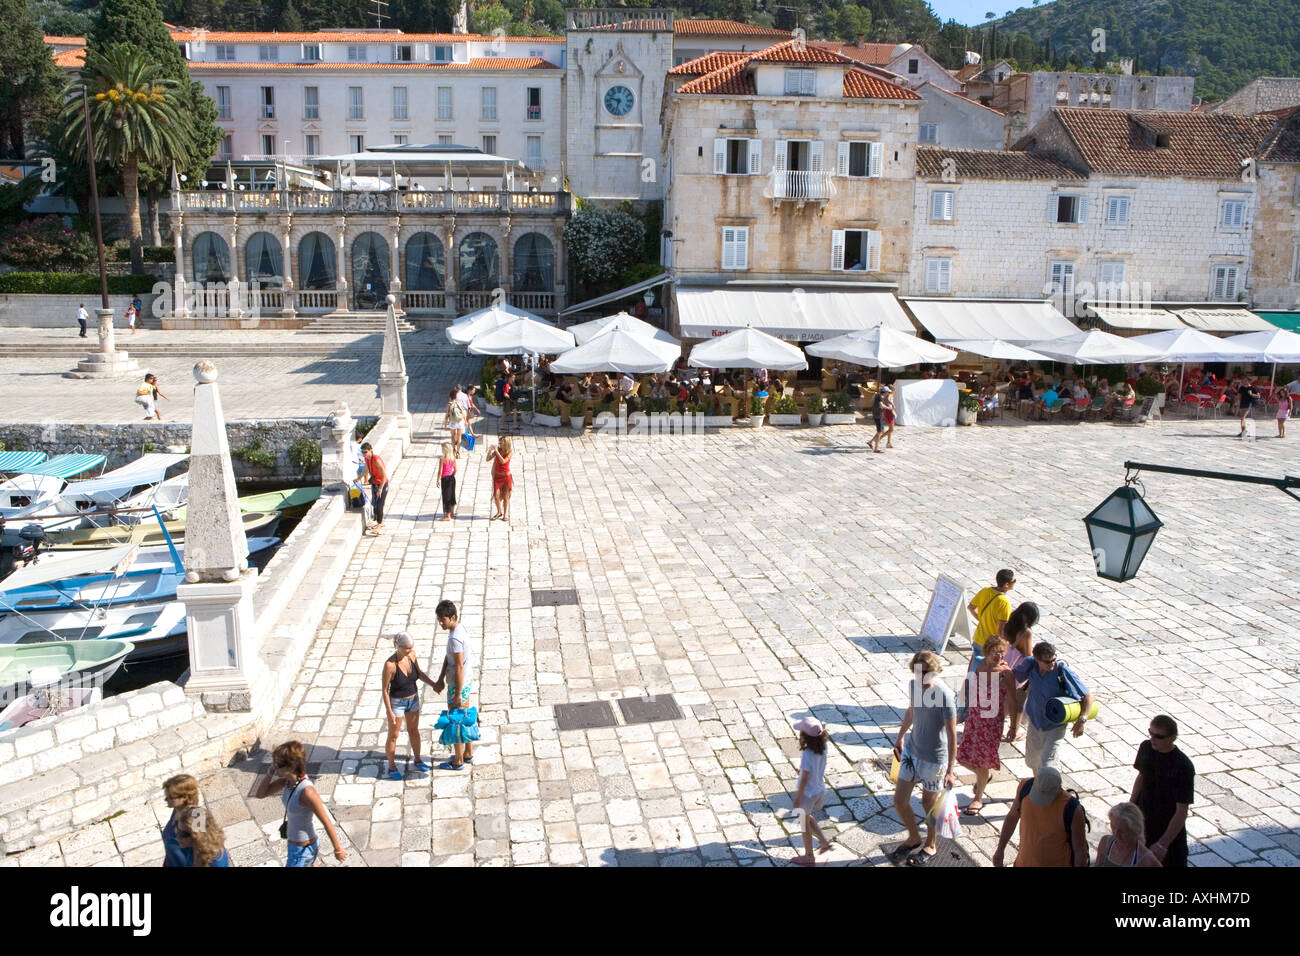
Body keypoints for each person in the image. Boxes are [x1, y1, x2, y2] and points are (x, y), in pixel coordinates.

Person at [890, 650, 958, 866]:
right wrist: (900, 736)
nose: (922, 676)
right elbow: (912, 710)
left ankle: (931, 843)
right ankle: (913, 837)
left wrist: (950, 769)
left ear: (934, 671)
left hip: (934, 758)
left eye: (926, 672)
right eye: (918, 671)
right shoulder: (913, 685)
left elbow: (952, 733)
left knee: (928, 804)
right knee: (900, 801)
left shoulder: (944, 695)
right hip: (912, 751)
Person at [956, 635, 1018, 815]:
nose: (998, 656)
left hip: (991, 723)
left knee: (982, 761)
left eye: (1001, 652)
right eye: (994, 653)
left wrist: (1013, 726)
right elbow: (971, 684)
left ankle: (978, 798)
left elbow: (1013, 701)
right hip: (975, 718)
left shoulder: (1006, 674)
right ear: (987, 652)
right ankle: (985, 775)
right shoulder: (981, 664)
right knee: (963, 756)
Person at [1012, 641, 1093, 772]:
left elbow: (1088, 696)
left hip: (1055, 725)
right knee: (1032, 761)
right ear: (1037, 659)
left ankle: (1053, 789)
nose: (1052, 664)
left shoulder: (1062, 671)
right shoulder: (1031, 664)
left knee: (1048, 765)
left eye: (1054, 659)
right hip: (1035, 721)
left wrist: (1082, 720)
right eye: (1048, 662)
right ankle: (1039, 785)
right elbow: (1015, 675)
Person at [265, 740, 347, 867]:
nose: (275, 767)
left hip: (303, 850)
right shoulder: (287, 782)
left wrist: (338, 849)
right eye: (274, 763)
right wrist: (270, 772)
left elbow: (326, 820)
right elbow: (260, 794)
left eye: (278, 764)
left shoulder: (307, 792)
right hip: (295, 846)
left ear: (291, 766)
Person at [1131, 714, 1194, 867]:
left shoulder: (1182, 766)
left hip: (1166, 826)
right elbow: (1141, 776)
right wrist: (1131, 806)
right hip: (1143, 821)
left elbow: (1181, 810)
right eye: (1150, 733)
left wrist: (1163, 844)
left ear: (1172, 738)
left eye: (1158, 736)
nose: (1152, 738)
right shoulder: (1146, 747)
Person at [992, 767, 1088, 867]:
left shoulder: (1072, 809)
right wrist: (1000, 849)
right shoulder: (1025, 786)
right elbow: (1012, 817)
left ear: (1058, 789)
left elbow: (1080, 850)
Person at [381, 632, 439, 780]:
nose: (409, 651)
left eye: (411, 648)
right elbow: (385, 690)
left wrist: (433, 684)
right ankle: (392, 766)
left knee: (414, 731)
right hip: (397, 703)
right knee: (393, 735)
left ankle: (418, 759)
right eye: (406, 648)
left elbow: (419, 674)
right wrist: (389, 711)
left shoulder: (412, 656)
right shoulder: (390, 665)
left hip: (413, 699)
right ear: (398, 647)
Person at [433, 600, 479, 770]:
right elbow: (450, 658)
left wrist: (457, 693)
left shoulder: (454, 638)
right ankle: (468, 753)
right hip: (465, 681)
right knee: (465, 715)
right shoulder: (459, 629)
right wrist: (440, 676)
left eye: (442, 619)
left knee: (456, 720)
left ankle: (458, 760)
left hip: (458, 684)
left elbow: (458, 665)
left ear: (452, 617)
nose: (440, 623)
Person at [788, 715, 833, 866]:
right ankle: (823, 841)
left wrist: (798, 797)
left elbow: (805, 777)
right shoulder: (824, 747)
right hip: (820, 790)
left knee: (803, 823)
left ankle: (809, 857)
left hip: (807, 794)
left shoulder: (807, 754)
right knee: (807, 817)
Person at [1000, 601, 1039, 740]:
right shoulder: (1026, 632)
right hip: (1018, 668)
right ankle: (1014, 731)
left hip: (1007, 660)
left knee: (1004, 694)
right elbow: (1028, 656)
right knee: (1018, 702)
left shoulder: (1011, 621)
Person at [967, 568, 1015, 670]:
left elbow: (971, 607)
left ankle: (969, 685)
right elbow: (1001, 630)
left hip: (978, 637)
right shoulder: (1004, 603)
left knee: (973, 668)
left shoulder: (985, 591)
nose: (1014, 583)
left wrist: (982, 620)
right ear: (1006, 585)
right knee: (987, 673)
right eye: (1013, 581)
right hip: (990, 645)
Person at [1094, 802, 1162, 867]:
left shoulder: (1144, 857)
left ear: (1134, 830)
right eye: (1113, 827)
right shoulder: (1106, 842)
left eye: (1122, 831)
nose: (1116, 834)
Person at [161, 773, 202, 866]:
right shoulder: (176, 811)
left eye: (171, 797)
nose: (166, 800)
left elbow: (203, 850)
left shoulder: (197, 817)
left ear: (185, 797)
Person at [358, 441, 388, 535]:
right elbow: (366, 470)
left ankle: (379, 526)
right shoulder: (367, 459)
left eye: (365, 452)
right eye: (362, 452)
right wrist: (358, 479)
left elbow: (384, 475)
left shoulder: (376, 460)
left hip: (382, 484)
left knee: (380, 505)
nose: (364, 454)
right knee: (374, 504)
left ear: (371, 450)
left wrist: (380, 489)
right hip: (374, 483)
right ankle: (381, 521)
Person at [488, 436, 513, 522]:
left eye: (501, 443)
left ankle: (505, 515)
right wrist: (490, 451)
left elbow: (503, 461)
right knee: (496, 495)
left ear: (506, 443)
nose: (499, 444)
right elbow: (488, 459)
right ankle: (499, 512)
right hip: (497, 476)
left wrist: (496, 452)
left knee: (506, 497)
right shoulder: (498, 450)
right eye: (499, 443)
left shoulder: (510, 452)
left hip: (506, 477)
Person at [438, 442, 457, 521]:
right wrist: (451, 475)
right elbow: (455, 470)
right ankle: (452, 513)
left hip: (445, 479)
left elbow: (440, 471)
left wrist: (438, 480)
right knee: (452, 494)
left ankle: (447, 515)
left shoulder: (442, 459)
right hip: (452, 478)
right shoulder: (453, 458)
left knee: (446, 496)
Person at [447, 386, 468, 457]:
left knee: (452, 437)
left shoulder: (449, 404)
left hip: (452, 422)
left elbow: (447, 415)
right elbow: (462, 413)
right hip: (460, 422)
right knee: (459, 437)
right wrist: (466, 421)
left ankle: (453, 450)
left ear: (450, 396)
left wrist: (445, 423)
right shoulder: (459, 403)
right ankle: (458, 452)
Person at [868, 386, 891, 453]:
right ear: (885, 392)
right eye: (887, 392)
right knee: (879, 431)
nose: (888, 393)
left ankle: (871, 442)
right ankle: (876, 448)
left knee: (882, 430)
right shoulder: (880, 397)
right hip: (878, 415)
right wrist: (888, 408)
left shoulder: (879, 396)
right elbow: (881, 405)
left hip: (878, 414)